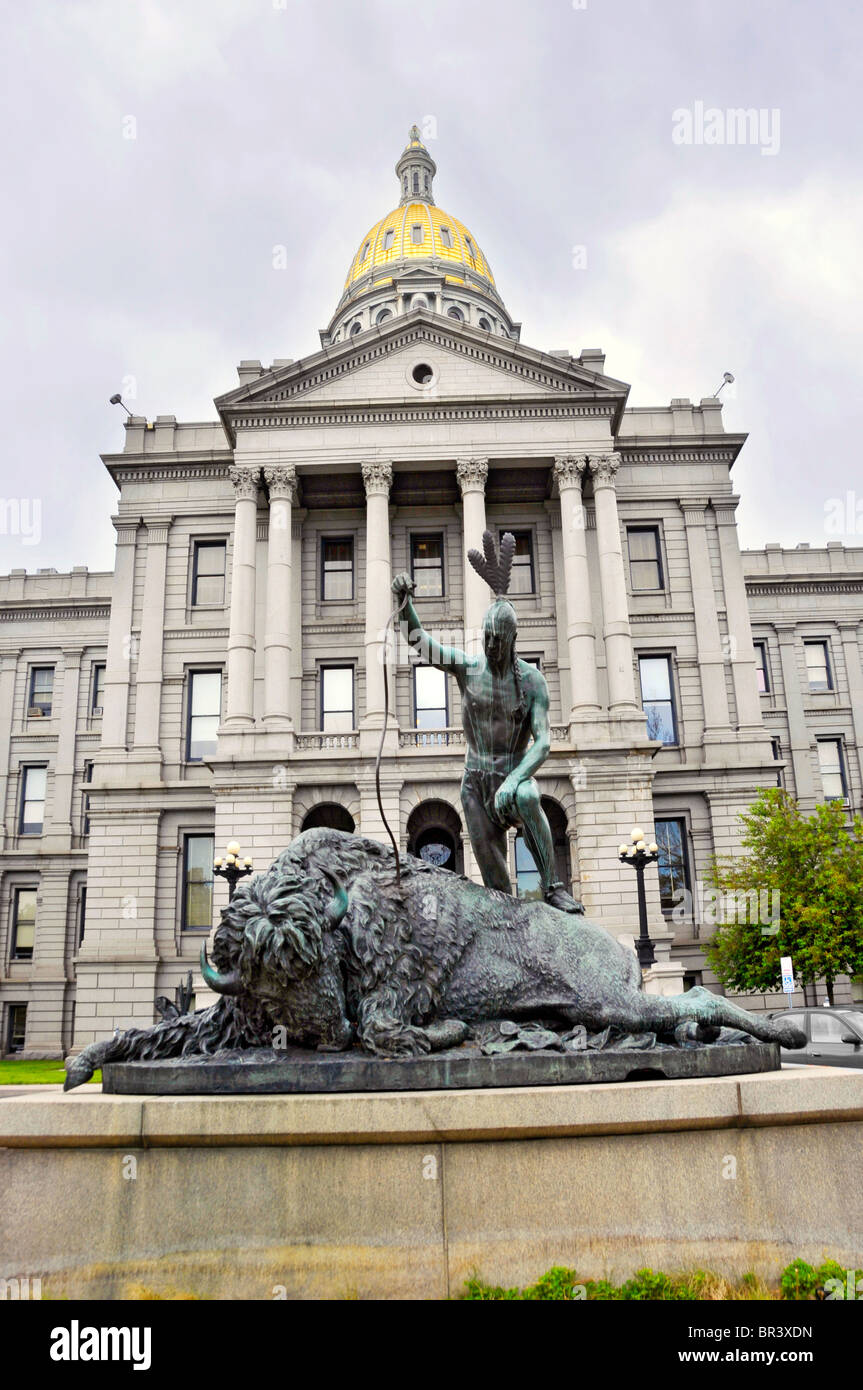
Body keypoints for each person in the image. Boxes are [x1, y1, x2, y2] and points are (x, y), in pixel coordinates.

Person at [392, 570, 582, 913]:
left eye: (498, 639)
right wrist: (405, 605)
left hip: (512, 775)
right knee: (497, 885)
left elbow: (542, 744)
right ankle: (512, 927)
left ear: (512, 639)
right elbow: (422, 643)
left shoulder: (532, 681)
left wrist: (514, 778)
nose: (492, 645)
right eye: (487, 637)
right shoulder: (468, 667)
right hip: (475, 784)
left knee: (527, 794)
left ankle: (552, 886)